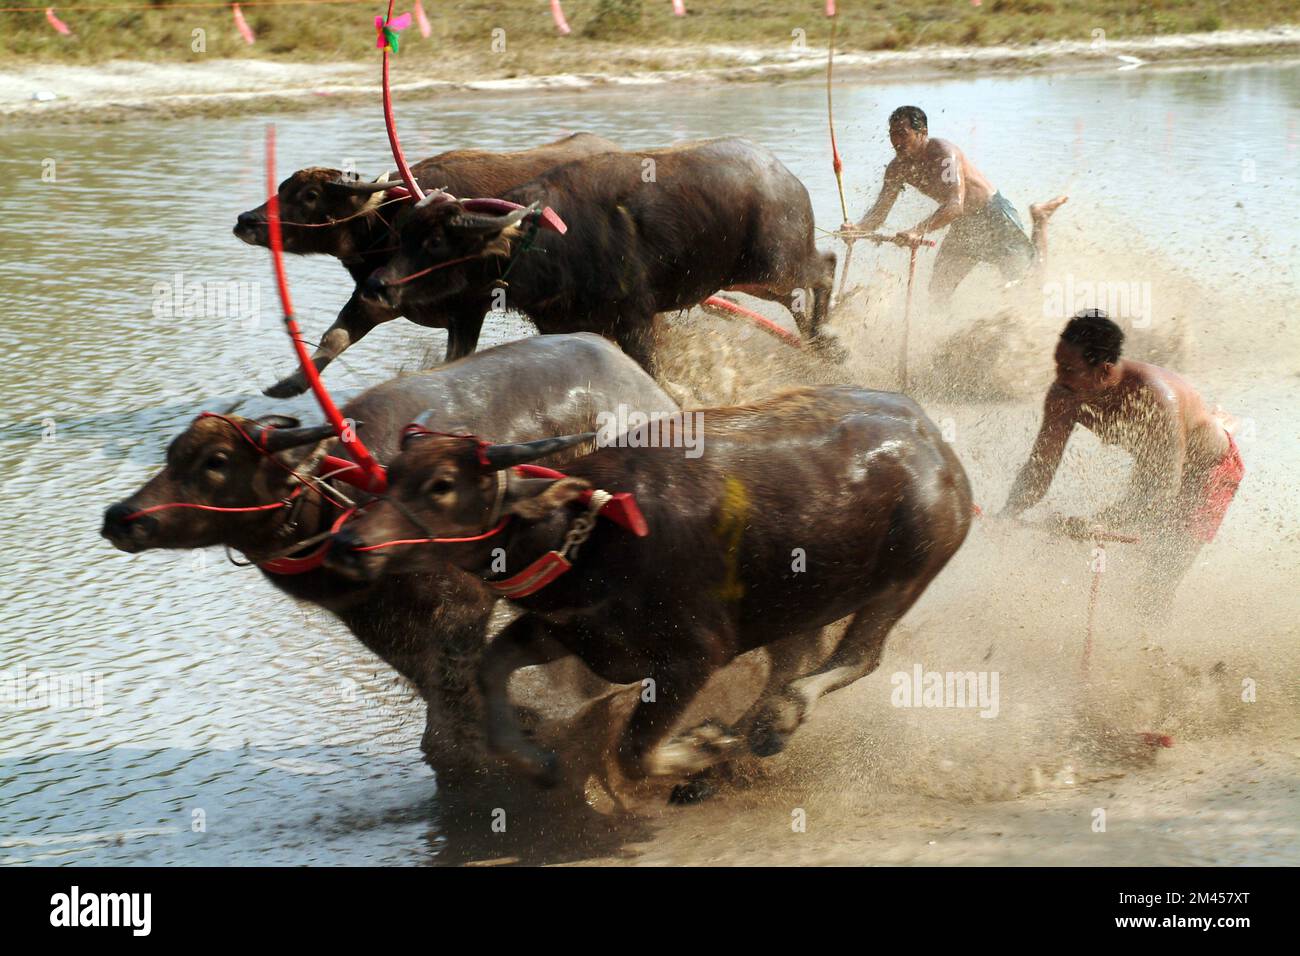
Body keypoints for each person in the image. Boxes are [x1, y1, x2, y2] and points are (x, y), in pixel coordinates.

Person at [1001, 310, 1244, 612]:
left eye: (1068, 369)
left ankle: (1152, 651)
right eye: (1056, 365)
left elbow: (1163, 491)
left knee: (1155, 583)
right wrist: (1008, 512)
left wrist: (1099, 522)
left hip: (1208, 472)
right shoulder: (1064, 395)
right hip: (1155, 466)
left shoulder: (1154, 398)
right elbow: (1041, 466)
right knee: (1127, 565)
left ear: (1103, 372)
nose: (1058, 378)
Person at [850, 105, 1068, 307]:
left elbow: (955, 205)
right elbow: (879, 212)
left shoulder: (943, 153)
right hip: (964, 225)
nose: (897, 141)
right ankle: (947, 339)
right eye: (892, 134)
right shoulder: (897, 169)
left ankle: (1040, 219)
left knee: (1027, 283)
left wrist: (917, 230)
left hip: (993, 215)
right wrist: (857, 229)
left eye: (903, 134)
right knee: (938, 290)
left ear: (922, 133)